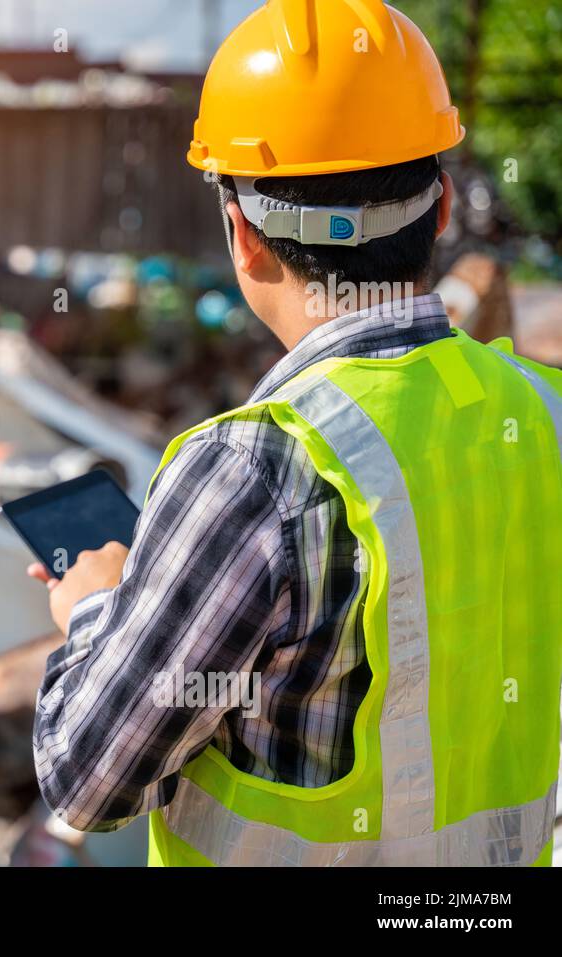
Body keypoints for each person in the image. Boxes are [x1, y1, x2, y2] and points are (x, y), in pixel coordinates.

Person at [30, 0, 562, 866]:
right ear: (441, 212)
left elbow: (87, 780)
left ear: (241, 236)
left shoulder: (255, 472)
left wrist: (94, 607)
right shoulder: (541, 413)